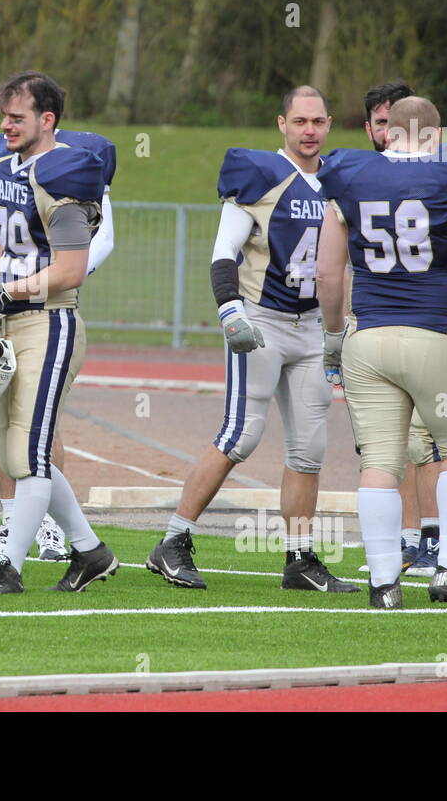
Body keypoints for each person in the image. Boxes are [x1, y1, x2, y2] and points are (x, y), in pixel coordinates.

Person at [147, 86, 355, 593]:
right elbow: (224, 250)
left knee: (310, 448)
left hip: (312, 326)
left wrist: (341, 325)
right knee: (241, 433)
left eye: (318, 122)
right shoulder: (260, 175)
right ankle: (172, 542)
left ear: (329, 124)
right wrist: (228, 309)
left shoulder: (342, 181)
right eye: (300, 121)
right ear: (281, 123)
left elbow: (347, 262)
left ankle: (300, 559)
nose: (310, 131)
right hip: (261, 319)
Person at [317, 96, 447, 609]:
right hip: (433, 333)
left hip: (366, 337)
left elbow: (328, 274)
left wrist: (335, 333)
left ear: (388, 133)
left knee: (378, 460)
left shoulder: (349, 176)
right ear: (436, 134)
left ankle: (382, 585)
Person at [0, 71, 116, 594]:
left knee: (28, 452)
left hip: (49, 322)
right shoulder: (4, 171)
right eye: (3, 115)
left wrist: (4, 293)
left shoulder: (65, 175)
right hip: (7, 320)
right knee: (12, 448)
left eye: (17, 116)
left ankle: (9, 568)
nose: (5, 125)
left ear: (47, 120)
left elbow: (69, 269)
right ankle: (91, 552)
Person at [362, 81, 442, 577]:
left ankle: (427, 542)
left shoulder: (351, 179)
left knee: (427, 439)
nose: (389, 131)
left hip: (414, 326)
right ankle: (409, 541)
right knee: (383, 443)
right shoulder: (354, 175)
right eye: (381, 122)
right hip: (375, 325)